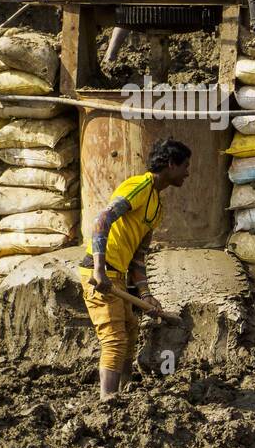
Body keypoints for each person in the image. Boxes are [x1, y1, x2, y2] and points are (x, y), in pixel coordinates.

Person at [80, 138, 192, 401]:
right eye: (185, 166)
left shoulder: (157, 206)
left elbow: (139, 256)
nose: (188, 173)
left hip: (117, 275)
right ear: (171, 164)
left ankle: (126, 393)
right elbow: (102, 219)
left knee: (130, 333)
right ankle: (108, 400)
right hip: (100, 272)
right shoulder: (139, 186)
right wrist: (99, 270)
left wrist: (145, 295)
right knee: (114, 339)